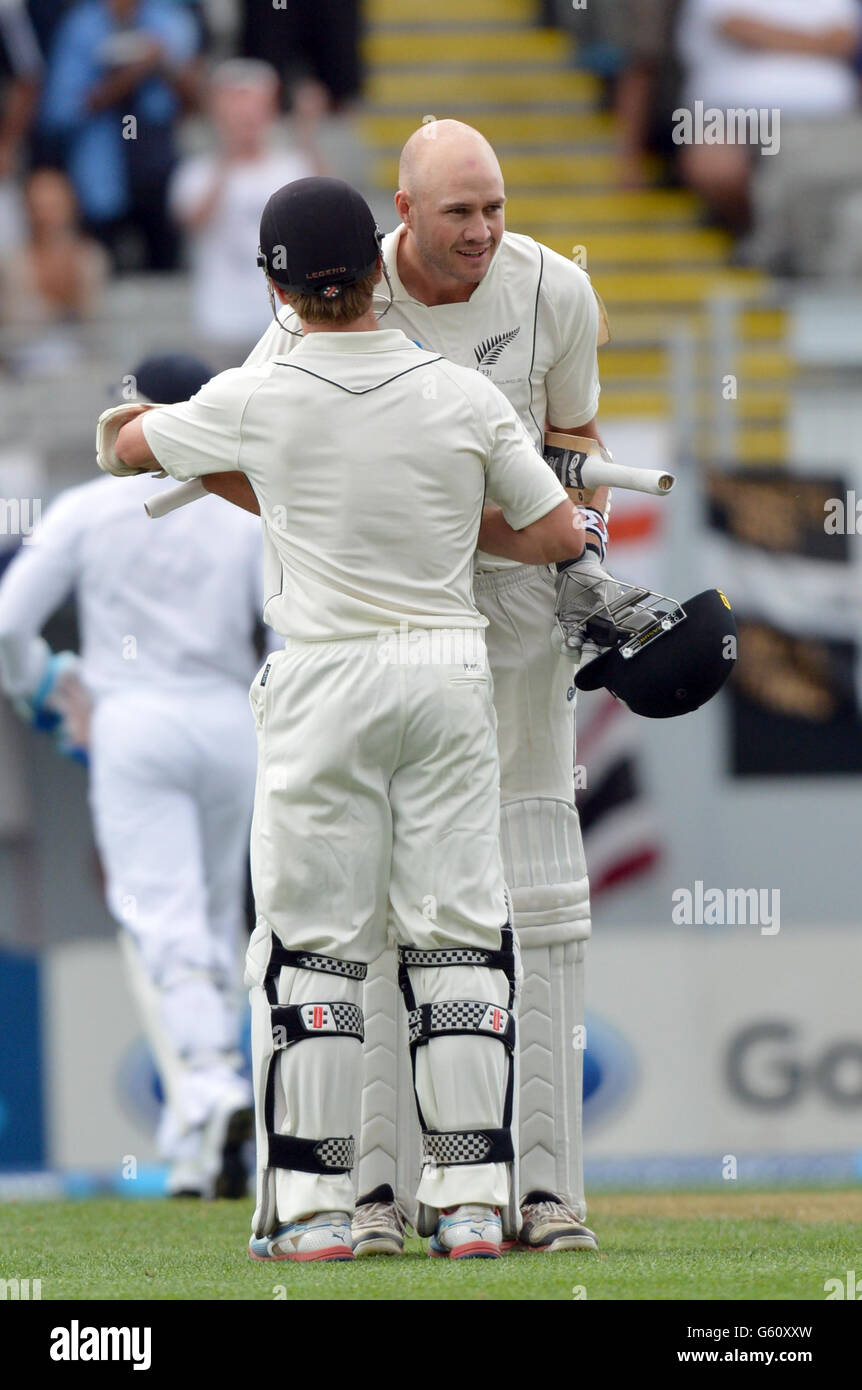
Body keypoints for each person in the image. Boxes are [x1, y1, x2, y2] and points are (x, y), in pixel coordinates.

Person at [103, 176, 594, 1261]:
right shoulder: (463, 398)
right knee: (460, 933)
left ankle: (318, 1213)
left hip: (324, 679)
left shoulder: (256, 392)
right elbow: (558, 532)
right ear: (379, 268)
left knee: (316, 946)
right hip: (447, 672)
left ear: (276, 283)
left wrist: (194, 446)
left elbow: (130, 448)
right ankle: (470, 1205)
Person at [241, 122, 609, 1256]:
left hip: (504, 622)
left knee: (530, 895)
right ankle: (364, 1192)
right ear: (402, 213)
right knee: (356, 911)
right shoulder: (334, 295)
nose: (484, 234)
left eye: (494, 208)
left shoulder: (554, 290)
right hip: (374, 626)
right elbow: (269, 454)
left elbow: (578, 438)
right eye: (460, 214)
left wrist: (562, 536)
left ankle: (537, 1191)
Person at [0, 353, 267, 1199]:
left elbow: (8, 626)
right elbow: (289, 628)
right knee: (221, 917)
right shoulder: (248, 512)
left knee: (166, 920)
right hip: (232, 721)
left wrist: (49, 688)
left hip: (133, 723)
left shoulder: (86, 510)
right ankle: (198, 1136)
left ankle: (213, 1084)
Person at [37, 0, 201, 270]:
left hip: (158, 176)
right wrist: (129, 74)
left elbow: (194, 102)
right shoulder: (81, 26)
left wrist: (164, 63)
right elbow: (59, 111)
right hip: (101, 180)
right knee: (106, 271)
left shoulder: (169, 18)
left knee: (164, 277)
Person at [169, 59, 316, 360]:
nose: (245, 119)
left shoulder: (292, 167)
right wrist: (227, 157)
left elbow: (322, 221)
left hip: (284, 321)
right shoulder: (197, 172)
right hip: (221, 320)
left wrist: (307, 135)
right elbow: (192, 221)